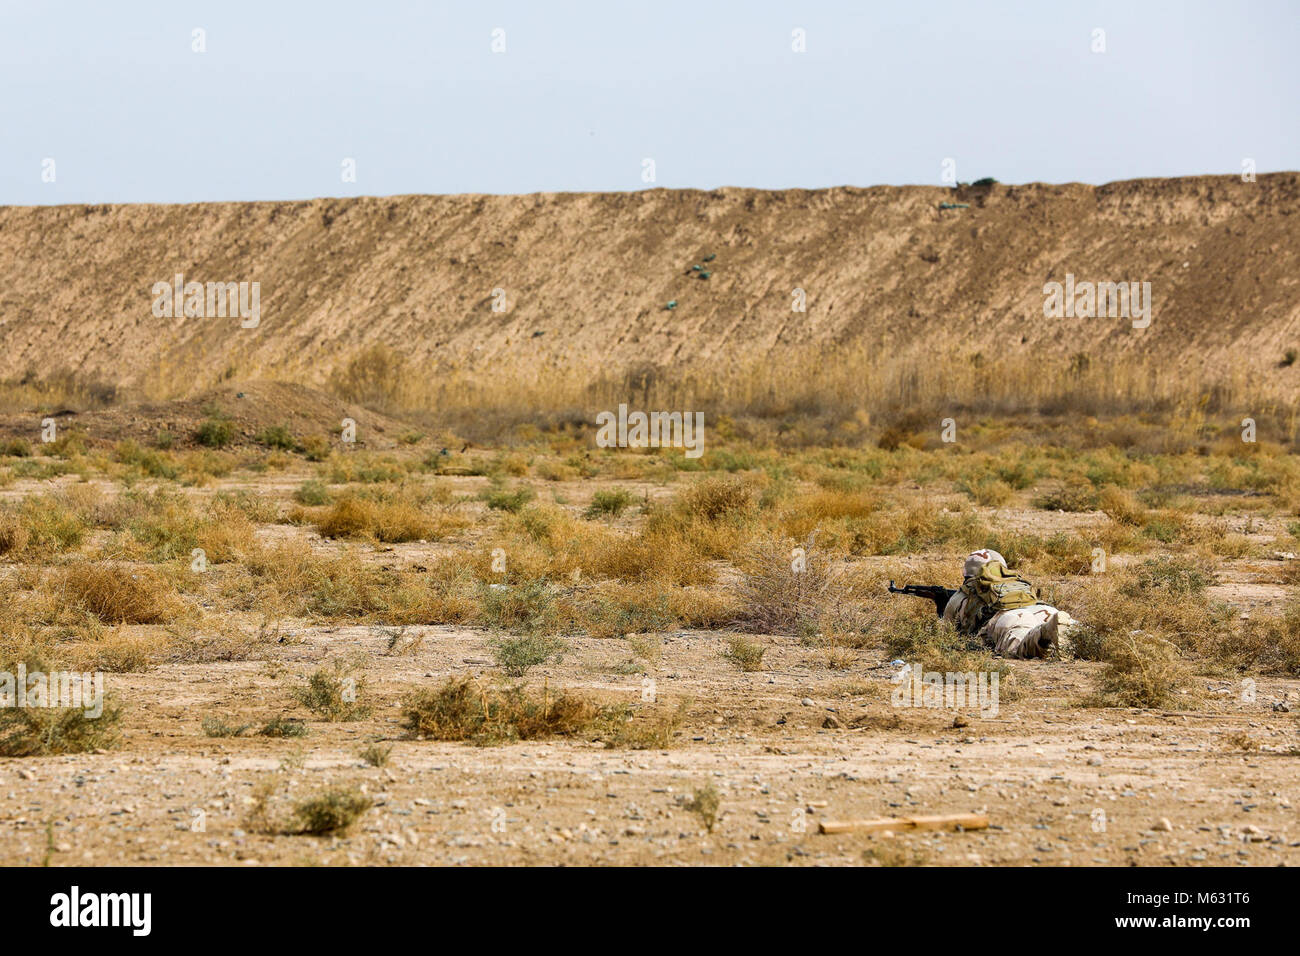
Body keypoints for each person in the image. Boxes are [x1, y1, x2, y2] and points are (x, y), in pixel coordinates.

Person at [943, 549, 1075, 659]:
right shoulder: (1016, 581)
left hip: (1010, 617)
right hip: (1044, 610)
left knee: (1022, 646)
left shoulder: (964, 592)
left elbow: (947, 633)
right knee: (1077, 637)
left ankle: (1046, 631)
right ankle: (1064, 627)